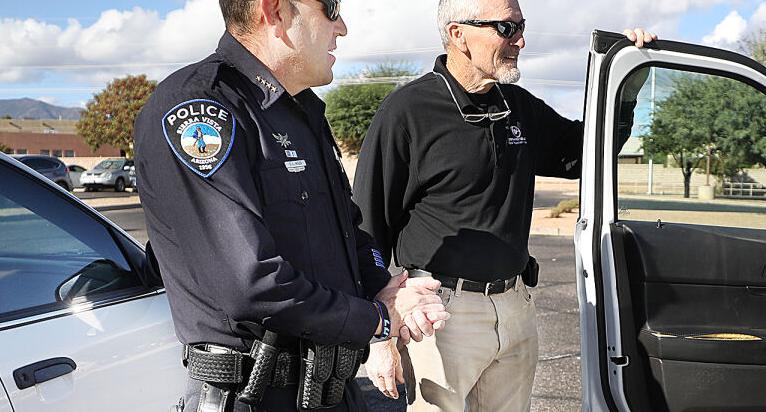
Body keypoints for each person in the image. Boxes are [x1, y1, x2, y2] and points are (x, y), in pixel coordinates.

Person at [133, 0, 449, 411]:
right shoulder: (199, 108)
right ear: (276, 12)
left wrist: (387, 288)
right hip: (253, 395)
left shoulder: (302, 111)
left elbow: (348, 230)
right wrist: (378, 319)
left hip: (331, 389)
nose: (343, 28)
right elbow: (249, 282)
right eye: (331, 8)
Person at [353, 0, 656, 410]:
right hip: (438, 315)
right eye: (506, 28)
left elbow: (586, 154)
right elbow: (368, 229)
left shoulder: (518, 105)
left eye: (520, 26)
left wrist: (628, 83)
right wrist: (380, 335)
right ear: (458, 34)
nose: (521, 40)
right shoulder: (406, 111)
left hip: (515, 308)